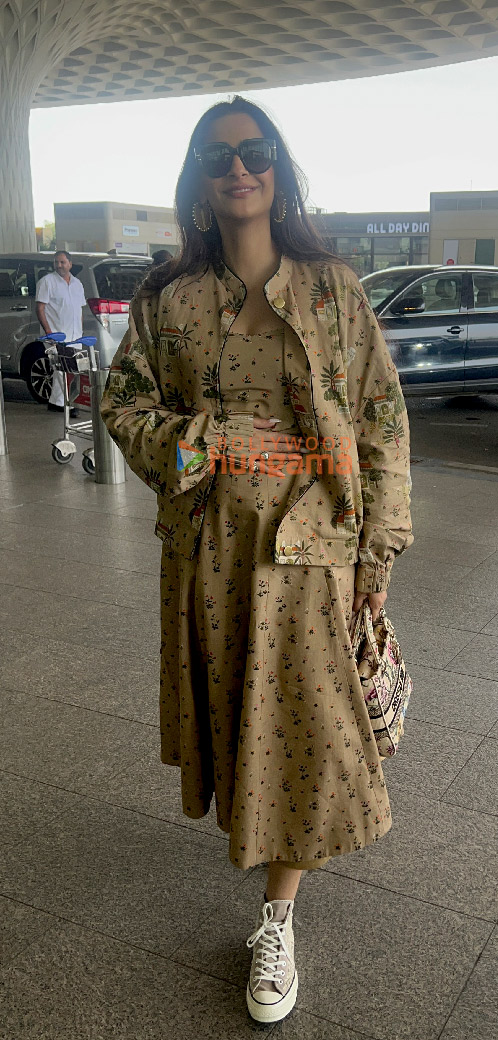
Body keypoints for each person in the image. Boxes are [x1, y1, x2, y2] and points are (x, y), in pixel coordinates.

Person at [101, 95, 412, 1025]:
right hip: (209, 551)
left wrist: (377, 553)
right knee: (244, 717)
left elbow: (383, 419)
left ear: (280, 167)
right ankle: (261, 848)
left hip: (314, 546)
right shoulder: (166, 297)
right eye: (217, 154)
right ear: (197, 179)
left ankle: (276, 917)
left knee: (310, 728)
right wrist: (205, 440)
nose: (238, 167)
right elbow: (122, 407)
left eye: (255, 149)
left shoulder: (332, 289)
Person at [36, 250, 86, 415]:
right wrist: (48, 331)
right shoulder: (47, 282)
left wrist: (80, 330)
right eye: (56, 262)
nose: (59, 265)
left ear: (70, 264)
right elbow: (40, 308)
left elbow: (79, 309)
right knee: (63, 367)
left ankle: (56, 402)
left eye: (62, 262)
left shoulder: (77, 284)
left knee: (70, 368)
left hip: (75, 334)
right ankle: (69, 404)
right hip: (56, 333)